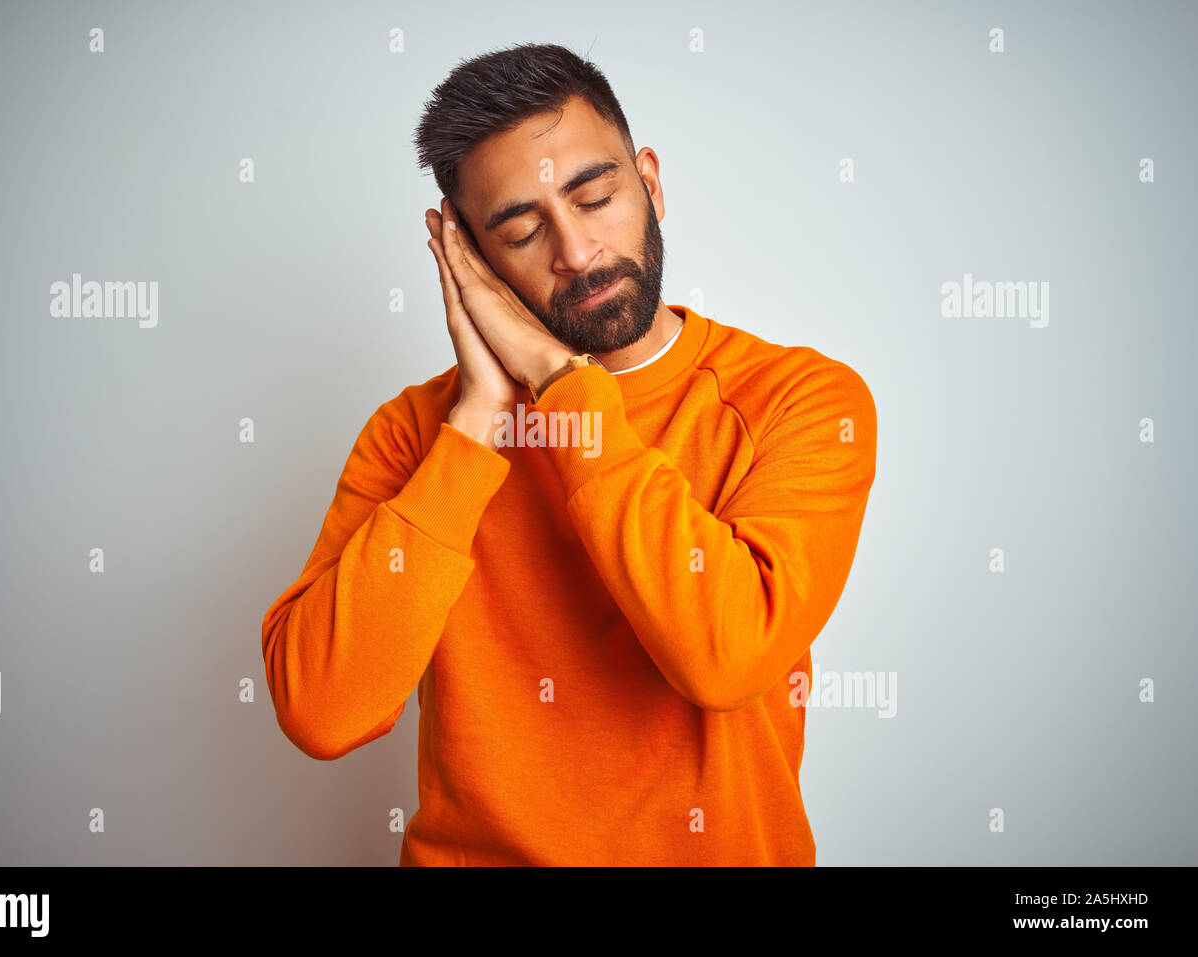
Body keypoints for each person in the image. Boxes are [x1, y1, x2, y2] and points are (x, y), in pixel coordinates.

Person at [261, 42, 877, 866]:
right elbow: (322, 710)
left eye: (596, 196)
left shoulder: (803, 400)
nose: (578, 252)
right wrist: (478, 421)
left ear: (650, 182)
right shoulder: (416, 435)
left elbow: (724, 654)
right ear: (469, 258)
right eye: (521, 229)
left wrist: (562, 385)